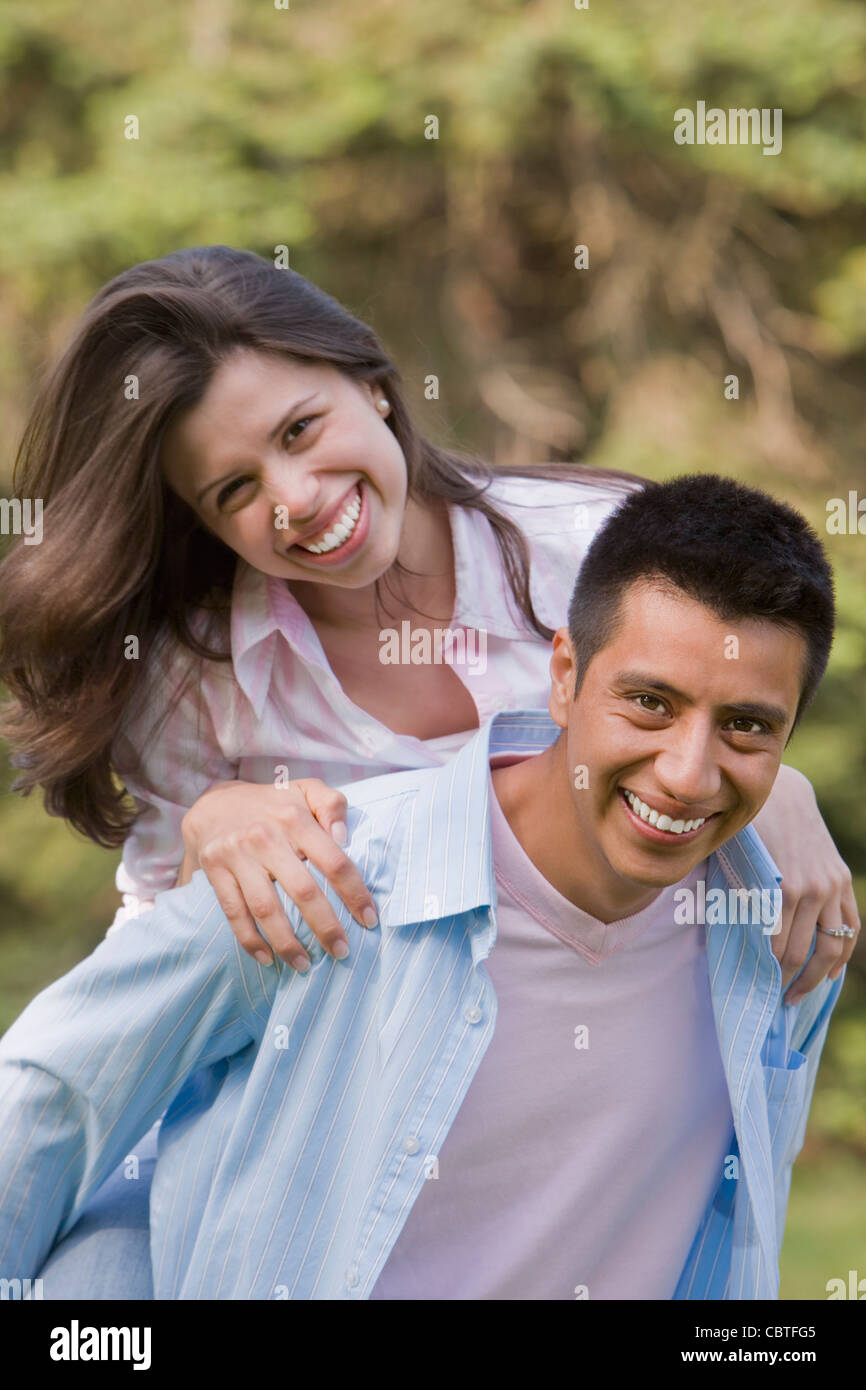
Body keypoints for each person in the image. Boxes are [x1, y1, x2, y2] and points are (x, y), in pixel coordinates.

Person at [0, 474, 849, 1300]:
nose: (688, 773)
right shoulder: (316, 870)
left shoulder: (785, 936)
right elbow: (54, 1092)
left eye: (746, 725)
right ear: (564, 677)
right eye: (650, 703)